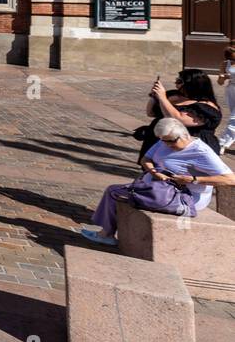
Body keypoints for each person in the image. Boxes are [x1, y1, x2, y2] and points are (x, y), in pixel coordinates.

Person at [81, 117, 235, 246]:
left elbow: (230, 179)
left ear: (184, 135)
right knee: (115, 190)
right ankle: (107, 232)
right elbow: (145, 159)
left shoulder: (201, 152)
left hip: (186, 197)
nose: (167, 145)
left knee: (115, 192)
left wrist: (193, 179)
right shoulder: (164, 140)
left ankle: (106, 234)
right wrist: (153, 171)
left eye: (171, 142)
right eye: (163, 141)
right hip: (159, 187)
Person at [140, 69, 222, 160]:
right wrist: (154, 96)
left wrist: (162, 98)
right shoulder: (174, 95)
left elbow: (178, 119)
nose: (176, 83)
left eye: (179, 81)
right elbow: (151, 113)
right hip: (163, 142)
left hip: (189, 148)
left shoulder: (206, 107)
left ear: (192, 84)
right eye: (176, 80)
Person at [219, 47, 235, 153]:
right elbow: (220, 82)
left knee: (234, 118)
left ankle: (222, 142)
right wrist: (223, 77)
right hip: (231, 90)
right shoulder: (225, 64)